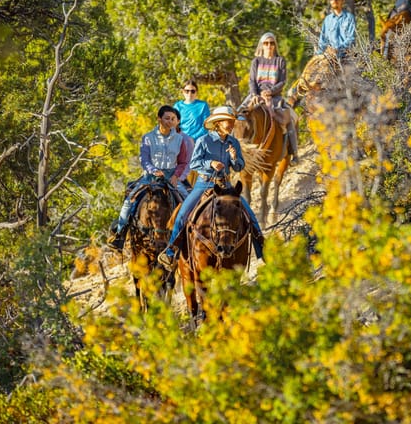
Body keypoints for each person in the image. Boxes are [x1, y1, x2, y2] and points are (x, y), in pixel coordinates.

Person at [157, 106, 265, 270]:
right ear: (217, 123)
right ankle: (171, 252)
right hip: (204, 183)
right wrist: (210, 163)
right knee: (182, 215)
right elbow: (193, 163)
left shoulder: (233, 142)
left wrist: (235, 158)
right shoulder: (203, 141)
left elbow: (239, 167)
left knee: (249, 214)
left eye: (231, 121)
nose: (230, 124)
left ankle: (263, 249)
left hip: (225, 184)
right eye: (227, 121)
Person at [109, 105, 190, 251]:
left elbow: (183, 161)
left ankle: (189, 234)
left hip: (171, 176)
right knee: (130, 200)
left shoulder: (179, 139)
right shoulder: (148, 138)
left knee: (188, 200)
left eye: (172, 119)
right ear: (159, 119)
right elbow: (144, 159)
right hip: (150, 177)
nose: (170, 121)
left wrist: (176, 175)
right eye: (166, 118)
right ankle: (120, 234)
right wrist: (153, 170)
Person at [287, 0, 357, 107]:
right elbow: (323, 40)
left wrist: (338, 48)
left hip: (345, 55)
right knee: (309, 72)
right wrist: (318, 55)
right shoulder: (328, 20)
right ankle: (295, 95)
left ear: (342, 0)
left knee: (348, 81)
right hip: (328, 55)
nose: (334, 1)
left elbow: (351, 38)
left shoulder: (349, 18)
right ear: (330, 1)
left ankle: (350, 104)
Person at [239, 32, 299, 162]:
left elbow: (282, 81)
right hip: (255, 94)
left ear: (275, 45)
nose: (269, 45)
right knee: (238, 115)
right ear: (262, 45)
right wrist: (255, 94)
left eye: (271, 43)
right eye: (266, 43)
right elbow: (251, 81)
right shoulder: (256, 61)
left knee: (289, 119)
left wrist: (270, 92)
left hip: (275, 97)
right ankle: (232, 152)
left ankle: (294, 153)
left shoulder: (280, 61)